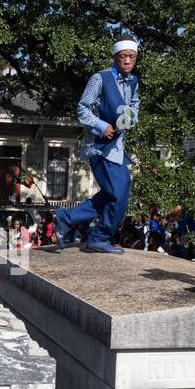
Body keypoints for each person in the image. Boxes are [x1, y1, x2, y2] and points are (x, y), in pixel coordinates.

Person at [54, 39, 139, 254]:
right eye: (123, 56)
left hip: (118, 147)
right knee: (118, 193)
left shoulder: (133, 81)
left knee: (114, 193)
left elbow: (134, 105)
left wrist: (131, 118)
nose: (127, 61)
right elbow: (82, 109)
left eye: (131, 56)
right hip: (99, 147)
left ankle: (68, 218)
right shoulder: (99, 78)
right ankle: (99, 237)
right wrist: (101, 126)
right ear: (115, 58)